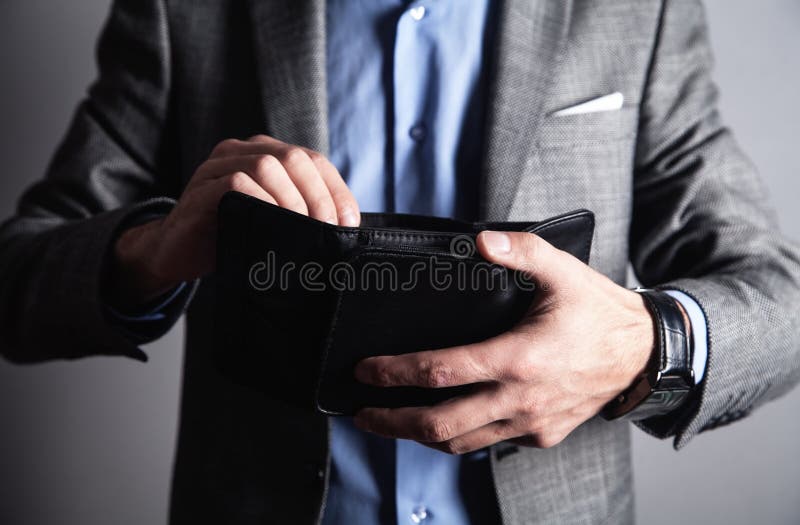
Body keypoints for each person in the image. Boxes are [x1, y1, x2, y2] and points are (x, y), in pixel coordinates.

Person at [1, 0, 798, 523]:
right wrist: (151, 248)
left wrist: (641, 345)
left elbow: (781, 302)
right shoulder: (188, 10)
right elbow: (17, 280)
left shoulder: (636, 11)